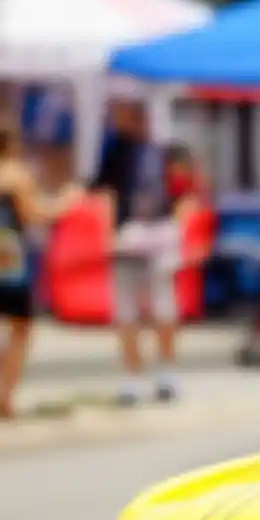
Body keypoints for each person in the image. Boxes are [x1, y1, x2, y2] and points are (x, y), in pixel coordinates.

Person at [93, 101, 186, 405]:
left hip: (159, 231)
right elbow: (101, 190)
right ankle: (132, 375)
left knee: (163, 306)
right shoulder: (117, 150)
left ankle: (167, 371)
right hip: (129, 233)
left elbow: (187, 187)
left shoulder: (164, 150)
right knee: (127, 308)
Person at [0, 126, 39, 419]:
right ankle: (5, 395)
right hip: (9, 257)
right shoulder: (16, 174)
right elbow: (31, 214)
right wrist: (65, 203)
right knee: (21, 327)